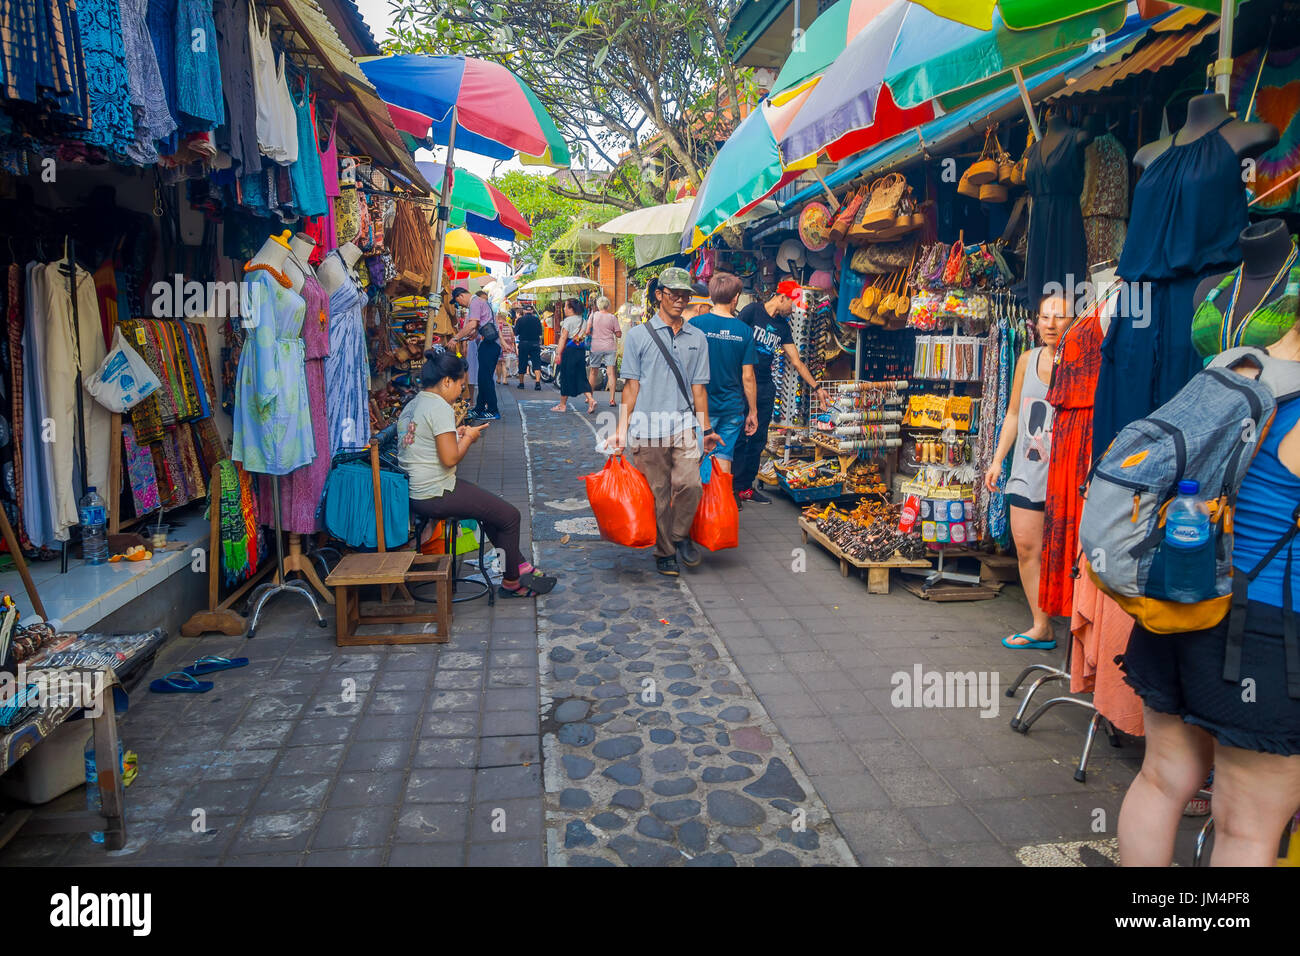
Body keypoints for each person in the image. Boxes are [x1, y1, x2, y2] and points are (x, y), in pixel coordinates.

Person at [1116, 313, 1300, 866]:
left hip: (1182, 599)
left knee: (1161, 781)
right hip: (1264, 633)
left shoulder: (1233, 368)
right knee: (1245, 829)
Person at [399, 349, 557, 599]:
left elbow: (429, 445)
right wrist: (470, 437)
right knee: (510, 516)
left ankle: (519, 568)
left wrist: (457, 435)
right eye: (460, 385)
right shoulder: (439, 407)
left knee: (492, 513)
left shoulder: (415, 403)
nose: (461, 391)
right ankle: (513, 581)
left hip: (419, 490)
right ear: (446, 381)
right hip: (435, 492)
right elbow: (450, 457)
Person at [611, 266, 720, 576]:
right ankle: (665, 552)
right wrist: (621, 430)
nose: (680, 300)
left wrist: (706, 428)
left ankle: (678, 535)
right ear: (659, 295)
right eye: (674, 294)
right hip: (646, 428)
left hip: (684, 426)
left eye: (685, 295)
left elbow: (699, 389)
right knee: (658, 494)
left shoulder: (697, 338)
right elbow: (631, 386)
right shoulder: (638, 336)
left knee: (691, 484)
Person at [983, 293, 1069, 649]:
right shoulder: (1025, 360)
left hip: (1066, 473)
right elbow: (1014, 414)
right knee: (1027, 546)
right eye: (1045, 317)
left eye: (1059, 317)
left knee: (1065, 550)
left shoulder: (1082, 363)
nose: (1051, 324)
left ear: (1073, 322)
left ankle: (1076, 625)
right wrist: (998, 459)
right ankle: (1040, 625)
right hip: (1027, 471)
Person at [732, 280, 832, 503]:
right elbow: (734, 342)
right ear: (782, 297)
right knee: (738, 436)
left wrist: (816, 388)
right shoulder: (752, 312)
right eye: (793, 304)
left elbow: (797, 361)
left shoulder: (783, 327)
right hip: (743, 383)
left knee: (758, 440)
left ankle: (745, 488)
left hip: (766, 386)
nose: (794, 309)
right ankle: (732, 488)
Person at [689, 271, 758, 475]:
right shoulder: (744, 331)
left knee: (697, 456)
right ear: (735, 297)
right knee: (724, 457)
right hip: (731, 406)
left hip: (700, 406)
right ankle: (719, 504)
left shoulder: (695, 326)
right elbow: (748, 377)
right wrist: (752, 412)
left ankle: (698, 505)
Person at [553, 298, 596, 414]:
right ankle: (591, 399)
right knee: (581, 377)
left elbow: (563, 338)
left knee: (565, 377)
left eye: (565, 306)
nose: (564, 309)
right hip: (580, 351)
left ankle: (562, 405)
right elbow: (582, 337)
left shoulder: (568, 321)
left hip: (569, 351)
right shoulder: (583, 320)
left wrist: (558, 353)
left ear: (571, 309)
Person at [588, 295, 622, 407]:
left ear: (598, 305)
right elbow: (618, 334)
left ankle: (590, 397)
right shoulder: (612, 317)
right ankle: (612, 399)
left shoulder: (593, 316)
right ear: (608, 306)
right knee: (611, 372)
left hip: (596, 346)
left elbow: (587, 331)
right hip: (609, 346)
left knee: (593, 372)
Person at [445, 287, 476, 409]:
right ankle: (465, 397)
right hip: (454, 356)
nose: (460, 306)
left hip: (456, 356)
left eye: (458, 303)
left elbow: (457, 352)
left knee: (463, 369)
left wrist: (460, 352)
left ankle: (466, 398)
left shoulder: (453, 328)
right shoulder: (449, 328)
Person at [515, 306, 544, 390]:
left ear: (524, 311)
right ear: (531, 311)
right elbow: (540, 332)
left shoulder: (520, 320)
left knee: (522, 363)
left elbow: (516, 333)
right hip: (534, 343)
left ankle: (521, 383)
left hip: (523, 343)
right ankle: (538, 383)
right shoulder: (537, 319)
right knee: (536, 363)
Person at [497, 313, 516, 384]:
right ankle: (504, 379)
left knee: (498, 363)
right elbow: (512, 336)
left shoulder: (498, 325)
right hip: (508, 347)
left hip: (499, 346)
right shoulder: (509, 325)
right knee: (505, 363)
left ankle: (499, 379)